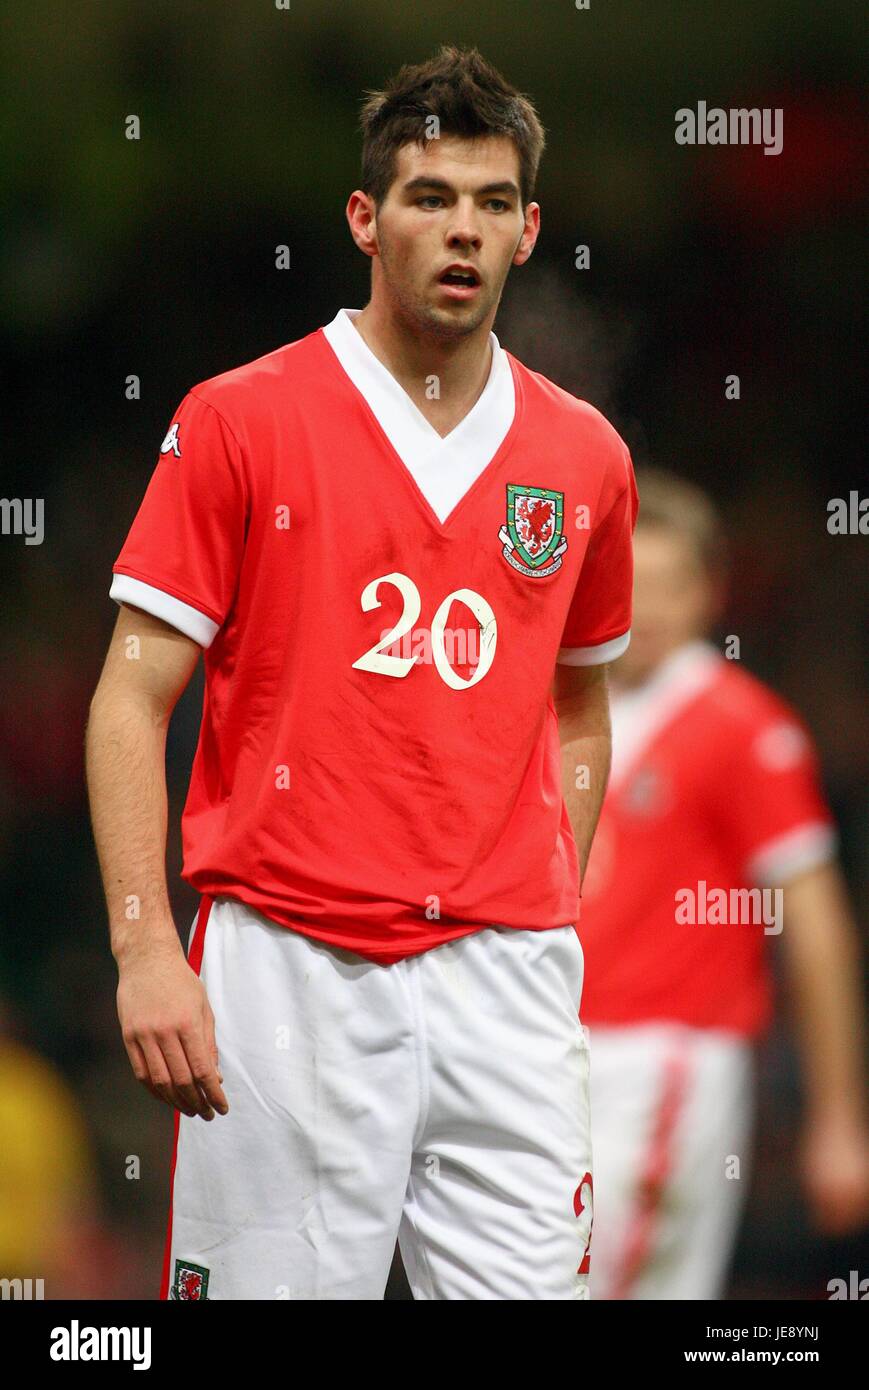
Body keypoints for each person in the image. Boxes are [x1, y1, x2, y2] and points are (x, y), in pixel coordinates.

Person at [85, 45, 638, 1301]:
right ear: (364, 218)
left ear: (528, 230)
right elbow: (129, 696)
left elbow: (580, 703)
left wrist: (551, 890)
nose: (462, 229)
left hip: (506, 977)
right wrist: (144, 948)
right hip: (289, 963)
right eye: (429, 197)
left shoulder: (585, 455)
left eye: (492, 202)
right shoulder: (240, 417)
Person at [578, 468, 869, 1299]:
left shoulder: (742, 727)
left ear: (711, 592)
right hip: (557, 1047)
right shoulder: (570, 705)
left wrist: (838, 1118)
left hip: (661, 1061)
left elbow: (814, 925)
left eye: (671, 584)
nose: (648, 609)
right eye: (630, 582)